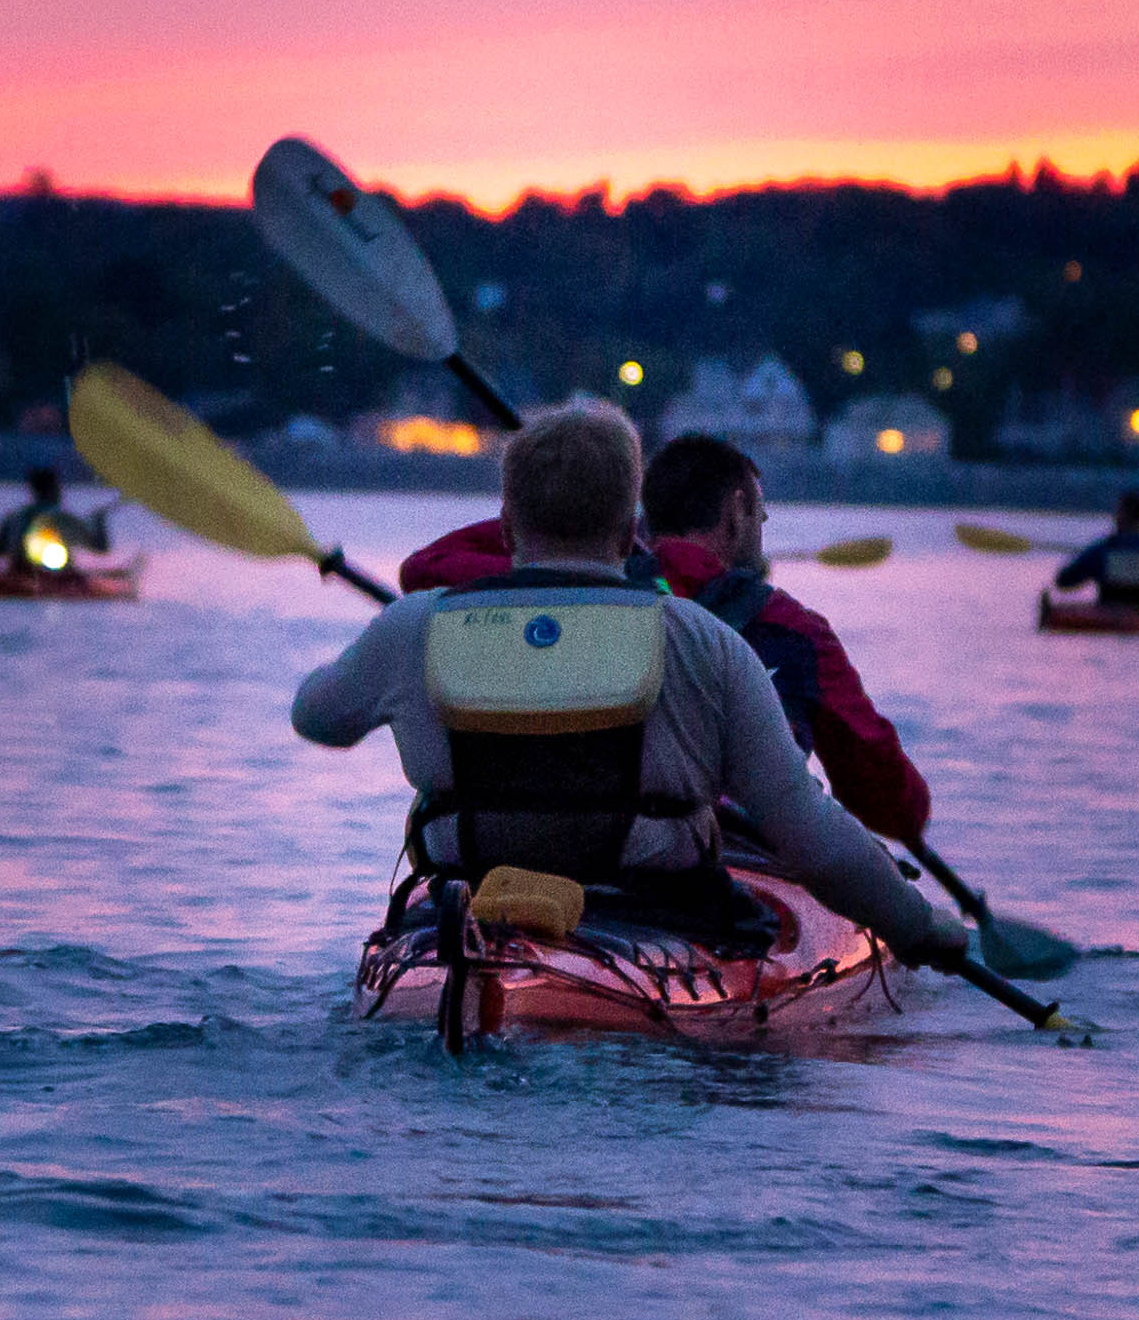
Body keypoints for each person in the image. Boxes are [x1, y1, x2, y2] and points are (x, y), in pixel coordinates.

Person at [293, 402, 964, 966]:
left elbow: (314, 716)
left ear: (505, 526)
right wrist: (916, 927)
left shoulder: (415, 625)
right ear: (626, 533)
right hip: (658, 912)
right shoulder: (705, 640)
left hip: (467, 901)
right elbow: (807, 830)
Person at [397, 430, 933, 841]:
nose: (761, 532)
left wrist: (576, 529)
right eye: (761, 517)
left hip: (567, 837)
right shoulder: (795, 629)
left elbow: (424, 568)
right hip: (725, 855)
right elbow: (893, 807)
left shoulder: (574, 587)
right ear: (737, 512)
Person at [0, 464, 113, 581]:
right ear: (53, 488)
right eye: (58, 487)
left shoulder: (12, 518)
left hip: (17, 574)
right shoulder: (62, 518)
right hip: (56, 579)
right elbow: (101, 547)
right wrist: (99, 520)